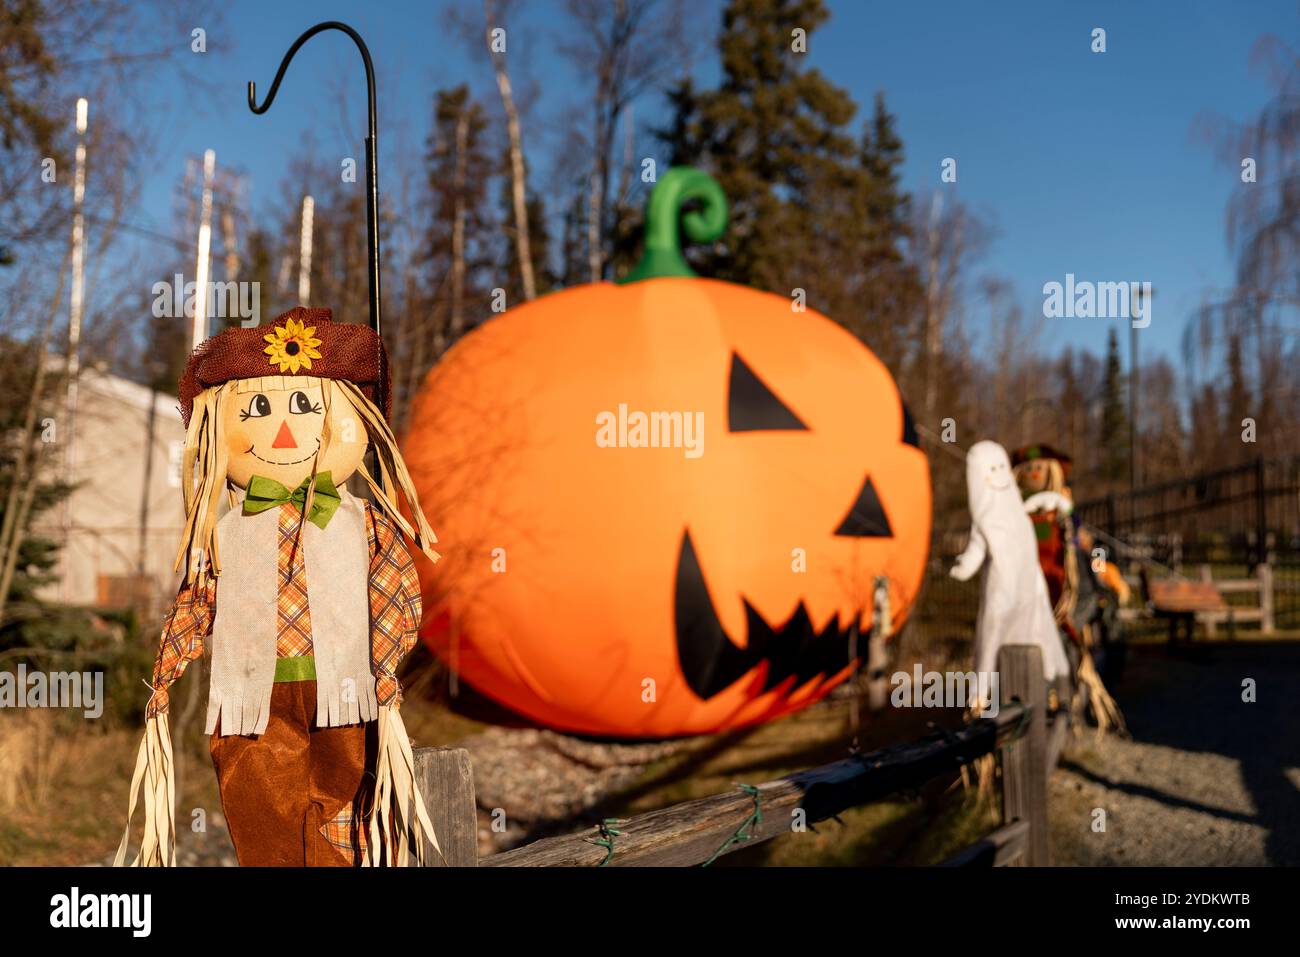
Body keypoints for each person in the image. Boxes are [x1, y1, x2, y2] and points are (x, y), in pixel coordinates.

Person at [117, 307, 441, 866]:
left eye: (306, 407)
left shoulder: (365, 523)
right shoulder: (223, 531)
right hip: (250, 700)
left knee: (345, 804)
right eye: (260, 409)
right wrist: (166, 673)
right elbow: (199, 598)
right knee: (259, 811)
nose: (286, 429)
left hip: (346, 694)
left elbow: (395, 595)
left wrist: (385, 670)